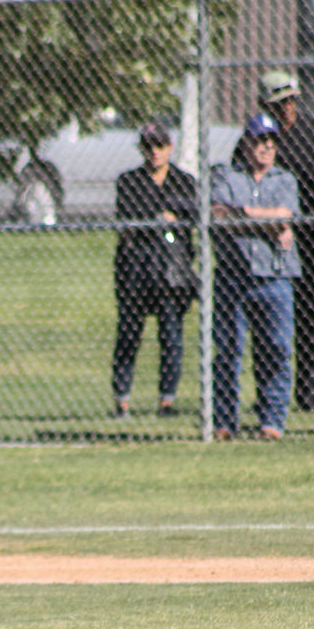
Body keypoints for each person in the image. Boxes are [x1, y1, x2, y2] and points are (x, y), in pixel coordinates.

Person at [210, 113, 301, 440]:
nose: (266, 147)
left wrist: (244, 214)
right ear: (246, 143)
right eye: (260, 140)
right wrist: (268, 223)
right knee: (227, 351)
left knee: (276, 350)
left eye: (272, 141)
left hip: (275, 276)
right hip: (233, 277)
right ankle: (224, 422)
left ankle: (271, 422)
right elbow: (220, 215)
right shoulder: (226, 175)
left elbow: (285, 216)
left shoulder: (285, 180)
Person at [257, 70, 314, 412]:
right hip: (273, 239)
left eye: (291, 100)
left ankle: (308, 396)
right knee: (269, 317)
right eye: (279, 103)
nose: (287, 107)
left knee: (311, 314)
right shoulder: (259, 137)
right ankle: (269, 394)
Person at [112, 121, 197, 418]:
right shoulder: (129, 181)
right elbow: (130, 219)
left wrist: (169, 217)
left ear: (170, 147)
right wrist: (163, 217)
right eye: (148, 146)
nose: (154, 151)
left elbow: (192, 215)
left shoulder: (184, 181)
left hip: (172, 272)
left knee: (171, 336)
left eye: (160, 145)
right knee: (129, 335)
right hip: (136, 270)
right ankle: (122, 401)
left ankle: (167, 401)